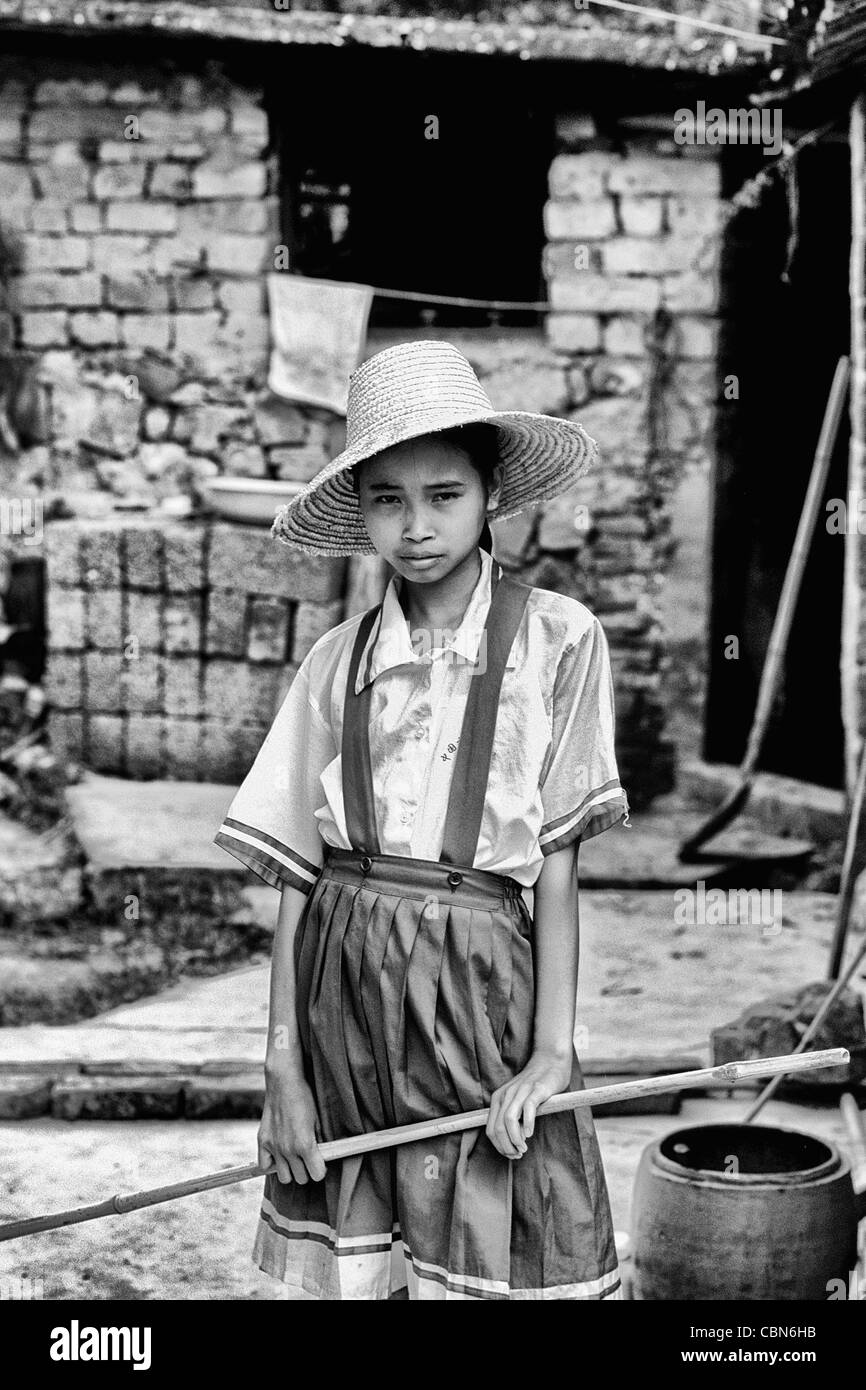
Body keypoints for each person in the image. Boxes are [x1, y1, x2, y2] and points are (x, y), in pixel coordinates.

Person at [214, 340, 631, 1300]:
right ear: (359, 510)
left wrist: (551, 1054)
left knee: (503, 1233)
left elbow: (557, 875)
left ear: (491, 494)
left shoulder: (561, 642)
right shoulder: (335, 663)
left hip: (484, 996)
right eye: (386, 498)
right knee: (359, 1254)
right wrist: (283, 1070)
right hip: (342, 996)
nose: (415, 526)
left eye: (443, 494)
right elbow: (298, 884)